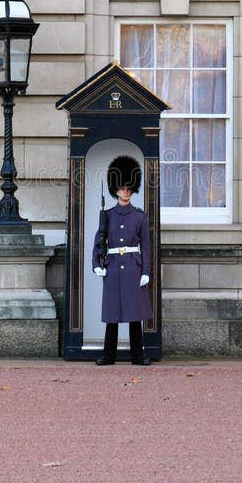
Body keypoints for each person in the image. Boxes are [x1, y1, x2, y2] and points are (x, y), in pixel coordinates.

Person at [92, 155, 152, 366]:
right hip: (114, 266)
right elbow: (99, 242)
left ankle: (138, 355)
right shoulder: (107, 215)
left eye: (129, 187)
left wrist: (146, 272)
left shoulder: (140, 216)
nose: (125, 190)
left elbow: (146, 245)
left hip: (134, 268)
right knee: (113, 314)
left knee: (135, 315)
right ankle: (109, 355)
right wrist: (96, 266)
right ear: (115, 189)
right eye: (122, 187)